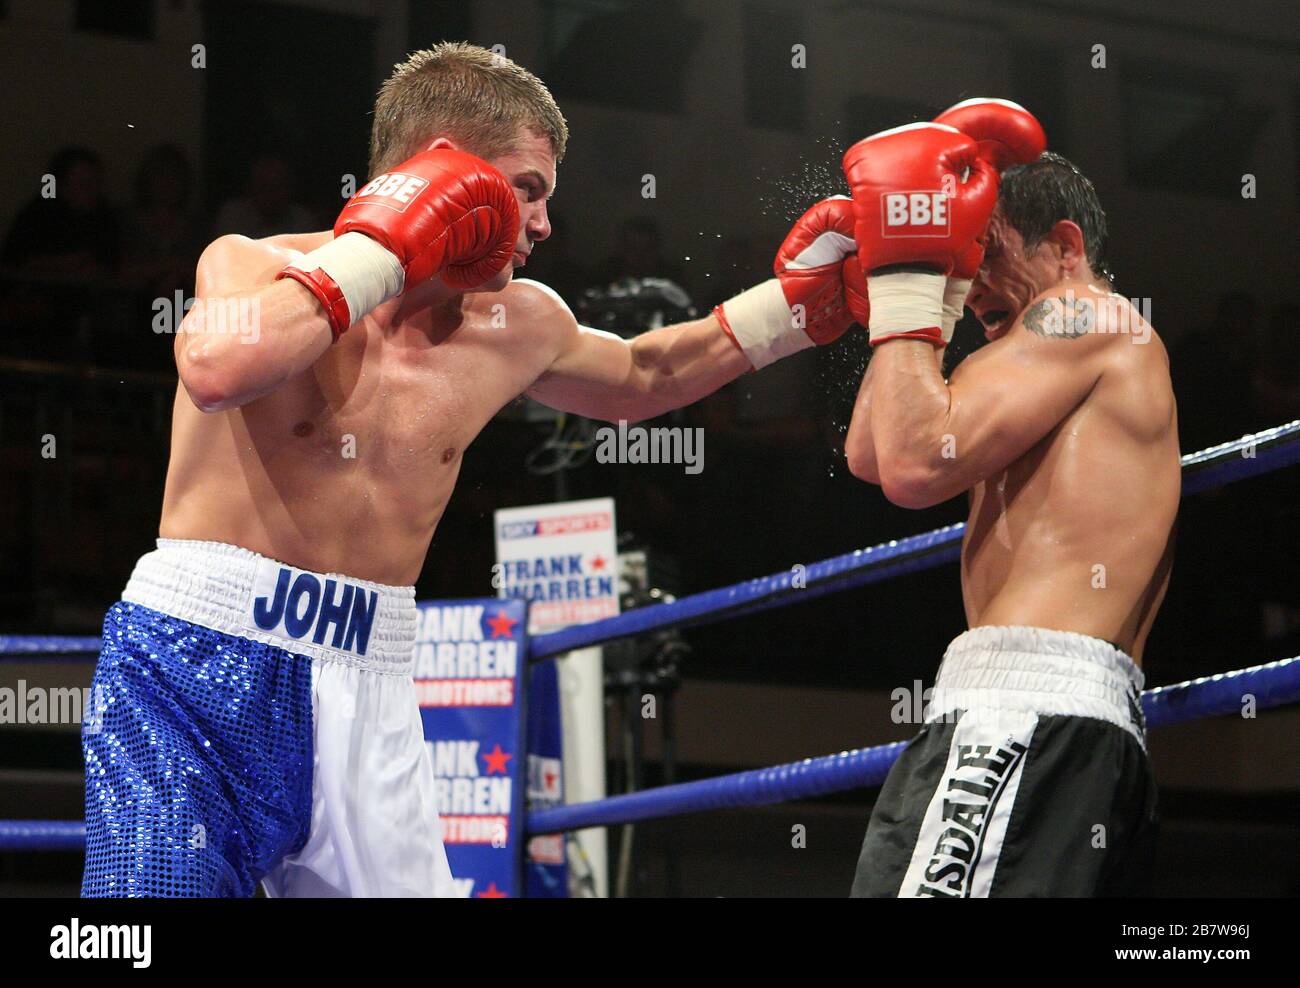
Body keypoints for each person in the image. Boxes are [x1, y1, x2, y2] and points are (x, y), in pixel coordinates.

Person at [80, 41, 860, 898]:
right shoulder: (253, 263)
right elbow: (219, 368)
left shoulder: (517, 323)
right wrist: (389, 246)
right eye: (527, 189)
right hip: (200, 661)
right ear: (443, 172)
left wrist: (791, 309)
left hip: (370, 679)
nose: (545, 225)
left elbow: (645, 376)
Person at [838, 107, 1179, 896]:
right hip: (1063, 727)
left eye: (982, 251)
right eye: (957, 255)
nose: (972, 277)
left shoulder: (1079, 314)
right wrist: (922, 289)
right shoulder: (1045, 357)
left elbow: (915, 465)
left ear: (1064, 247)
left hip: (1022, 715)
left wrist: (906, 276)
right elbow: (872, 452)